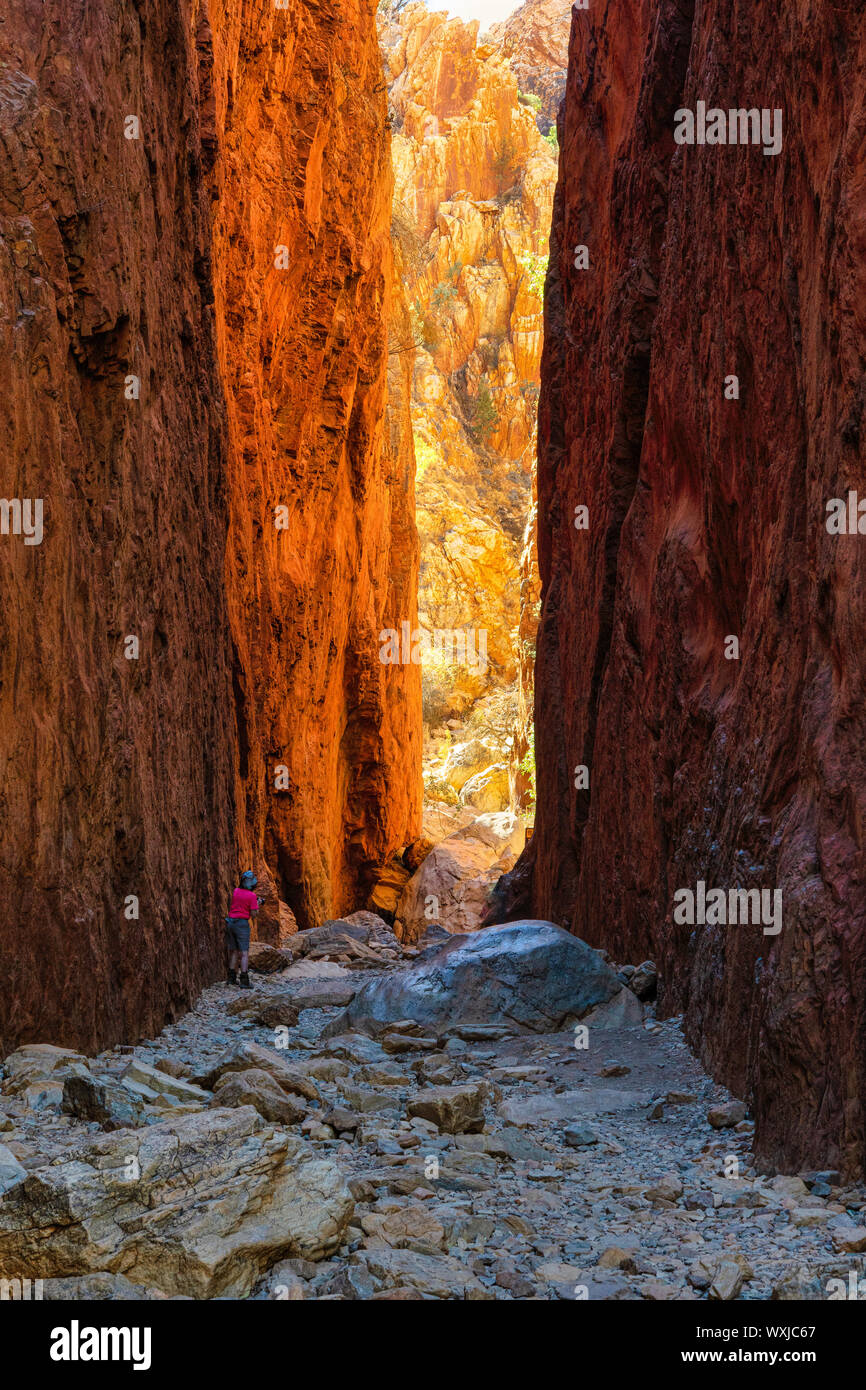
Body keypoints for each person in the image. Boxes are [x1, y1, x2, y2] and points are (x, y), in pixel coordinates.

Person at [225, 870, 264, 988]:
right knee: (244, 953)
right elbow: (253, 914)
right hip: (241, 924)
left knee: (234, 951)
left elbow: (239, 904)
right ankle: (244, 980)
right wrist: (257, 904)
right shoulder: (252, 896)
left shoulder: (236, 891)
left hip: (230, 923)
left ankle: (231, 978)